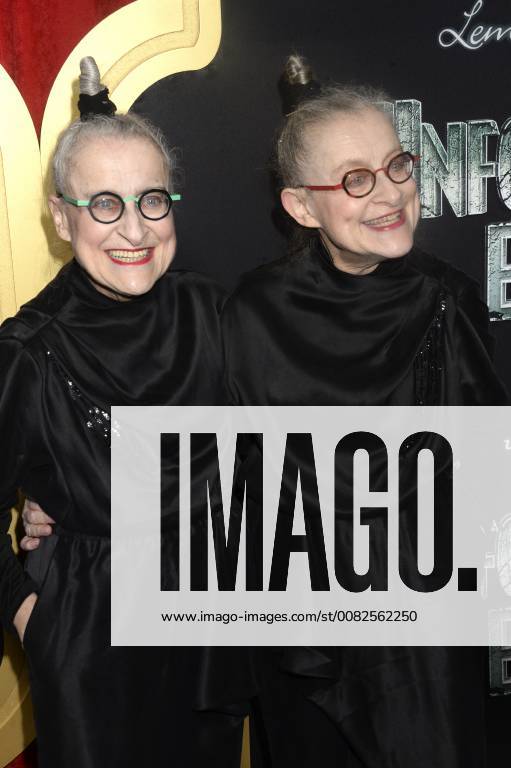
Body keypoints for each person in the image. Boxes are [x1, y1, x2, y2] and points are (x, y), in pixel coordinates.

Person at [219, 55, 508, 767]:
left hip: (424, 630)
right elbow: (198, 463)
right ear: (301, 207)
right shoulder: (246, 312)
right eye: (354, 179)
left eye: (397, 165)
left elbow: (487, 469)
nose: (387, 194)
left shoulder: (446, 297)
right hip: (303, 635)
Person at [0, 58, 249, 768]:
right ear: (60, 217)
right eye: (103, 204)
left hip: (208, 632)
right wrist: (35, 617)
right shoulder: (27, 350)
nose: (133, 229)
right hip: (93, 648)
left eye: (151, 200)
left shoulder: (217, 312)